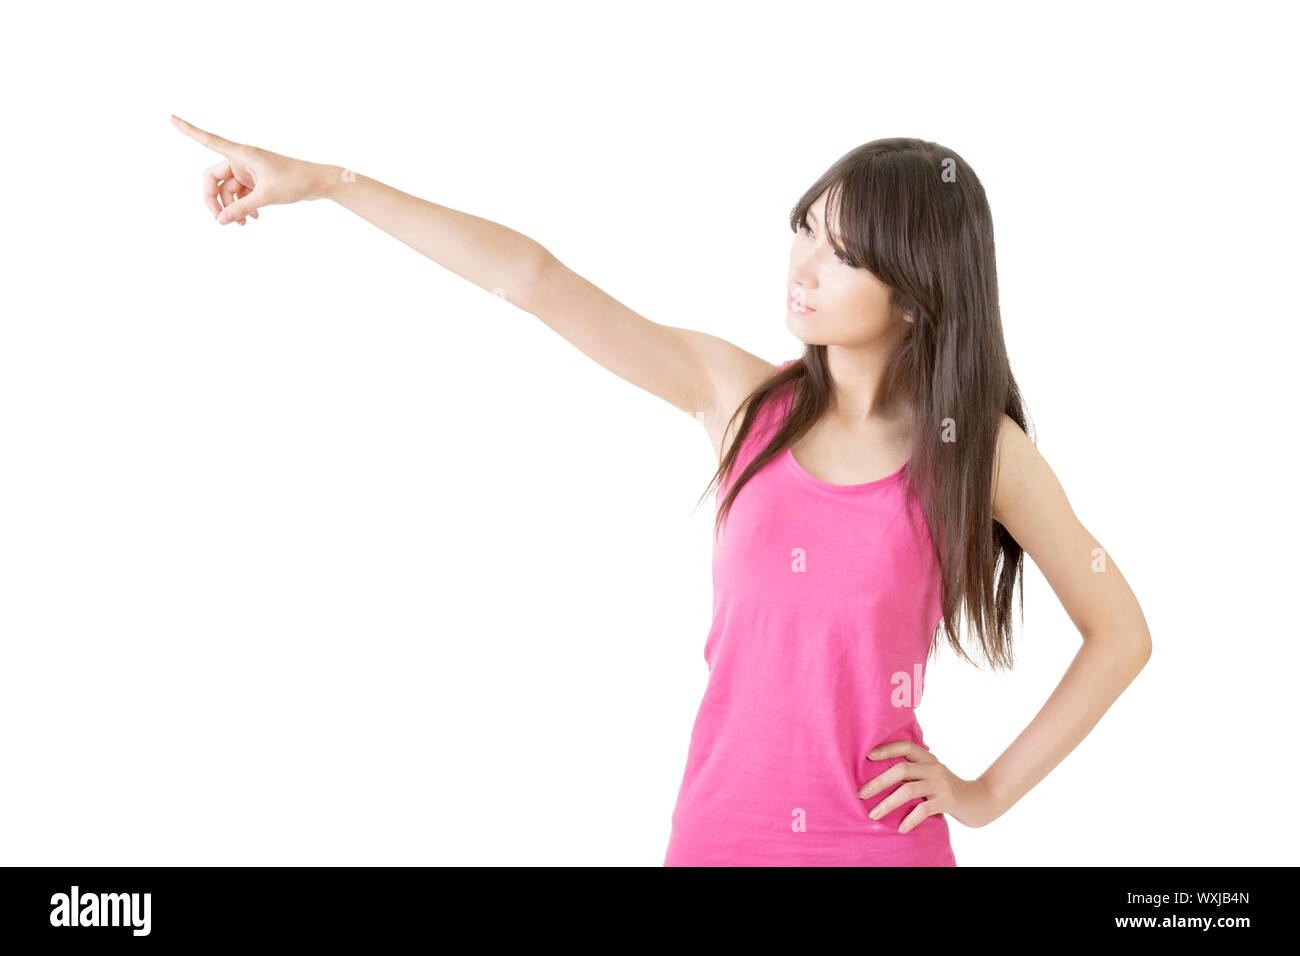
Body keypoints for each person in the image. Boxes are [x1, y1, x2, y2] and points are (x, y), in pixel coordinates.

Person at [170, 120, 1153, 866]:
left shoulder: (977, 450)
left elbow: (1120, 632)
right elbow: (531, 277)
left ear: (916, 292)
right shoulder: (738, 398)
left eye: (843, 253)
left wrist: (981, 793)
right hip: (717, 833)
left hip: (877, 844)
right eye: (803, 228)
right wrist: (329, 183)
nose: (803, 265)